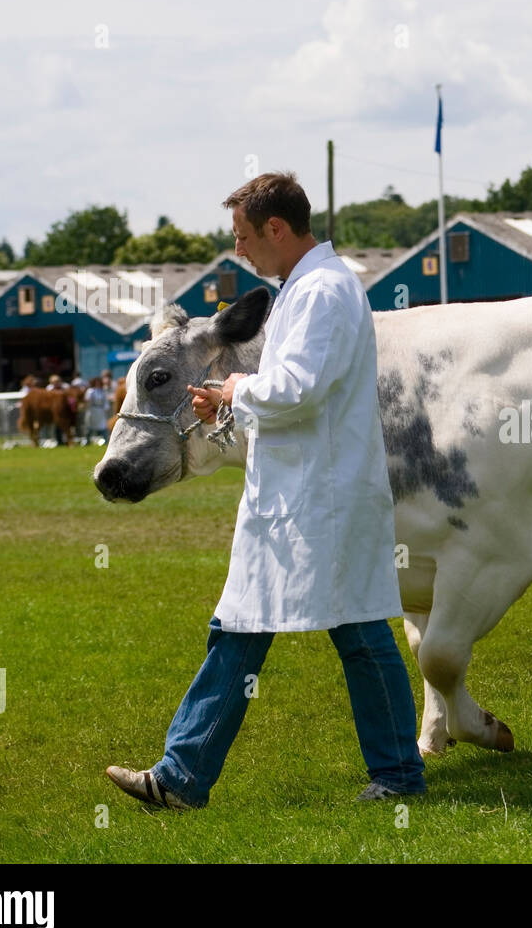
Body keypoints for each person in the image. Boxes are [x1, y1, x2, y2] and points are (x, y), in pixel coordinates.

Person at [106, 171, 425, 809]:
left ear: (276, 229)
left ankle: (398, 777)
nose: (241, 250)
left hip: (322, 499)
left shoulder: (323, 293)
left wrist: (232, 391)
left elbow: (297, 389)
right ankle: (179, 778)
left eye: (244, 237)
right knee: (241, 629)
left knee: (359, 634)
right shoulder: (302, 290)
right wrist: (225, 406)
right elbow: (289, 395)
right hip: (295, 495)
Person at [84, 377, 109, 444]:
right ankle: (87, 440)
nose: (97, 384)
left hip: (100, 410)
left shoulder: (102, 391)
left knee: (103, 425)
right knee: (90, 425)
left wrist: (106, 408)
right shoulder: (90, 391)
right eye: (96, 382)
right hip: (92, 410)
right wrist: (88, 409)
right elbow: (87, 400)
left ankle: (106, 440)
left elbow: (105, 401)